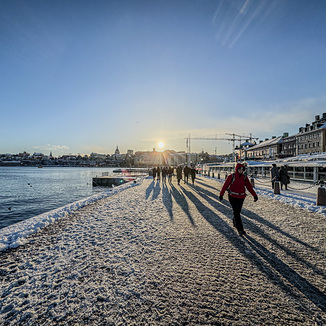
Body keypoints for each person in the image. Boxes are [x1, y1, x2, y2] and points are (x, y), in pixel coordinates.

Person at [219, 163, 258, 236]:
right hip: (232, 196)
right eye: (239, 169)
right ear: (236, 169)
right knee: (236, 212)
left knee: (237, 211)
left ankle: (235, 222)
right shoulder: (231, 176)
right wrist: (221, 194)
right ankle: (240, 229)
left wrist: (254, 195)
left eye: (242, 169)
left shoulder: (244, 177)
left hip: (241, 197)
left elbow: (249, 187)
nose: (241, 171)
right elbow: (225, 185)